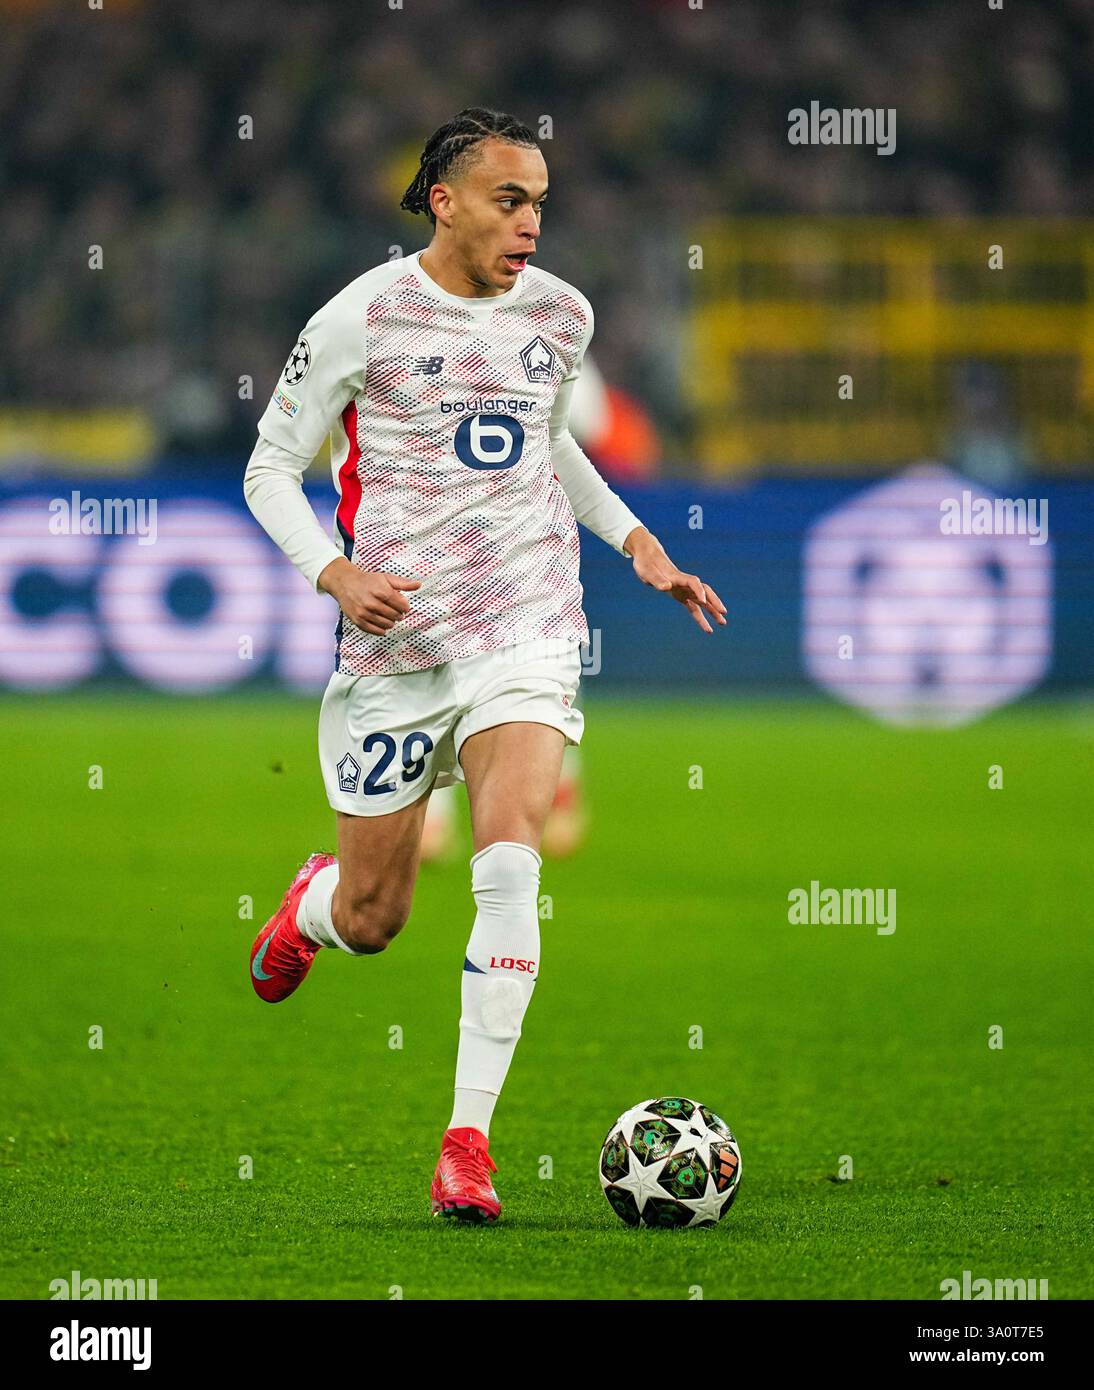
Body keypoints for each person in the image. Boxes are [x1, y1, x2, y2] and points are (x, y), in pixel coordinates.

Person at [242, 107, 725, 1224]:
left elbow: (548, 436)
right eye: (510, 201)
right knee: (375, 917)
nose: (531, 224)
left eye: (542, 203)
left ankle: (466, 1142)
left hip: (528, 629)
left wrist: (638, 545)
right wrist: (331, 574)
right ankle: (307, 906)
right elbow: (270, 468)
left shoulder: (561, 313)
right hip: (398, 651)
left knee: (512, 860)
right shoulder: (360, 317)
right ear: (444, 202)